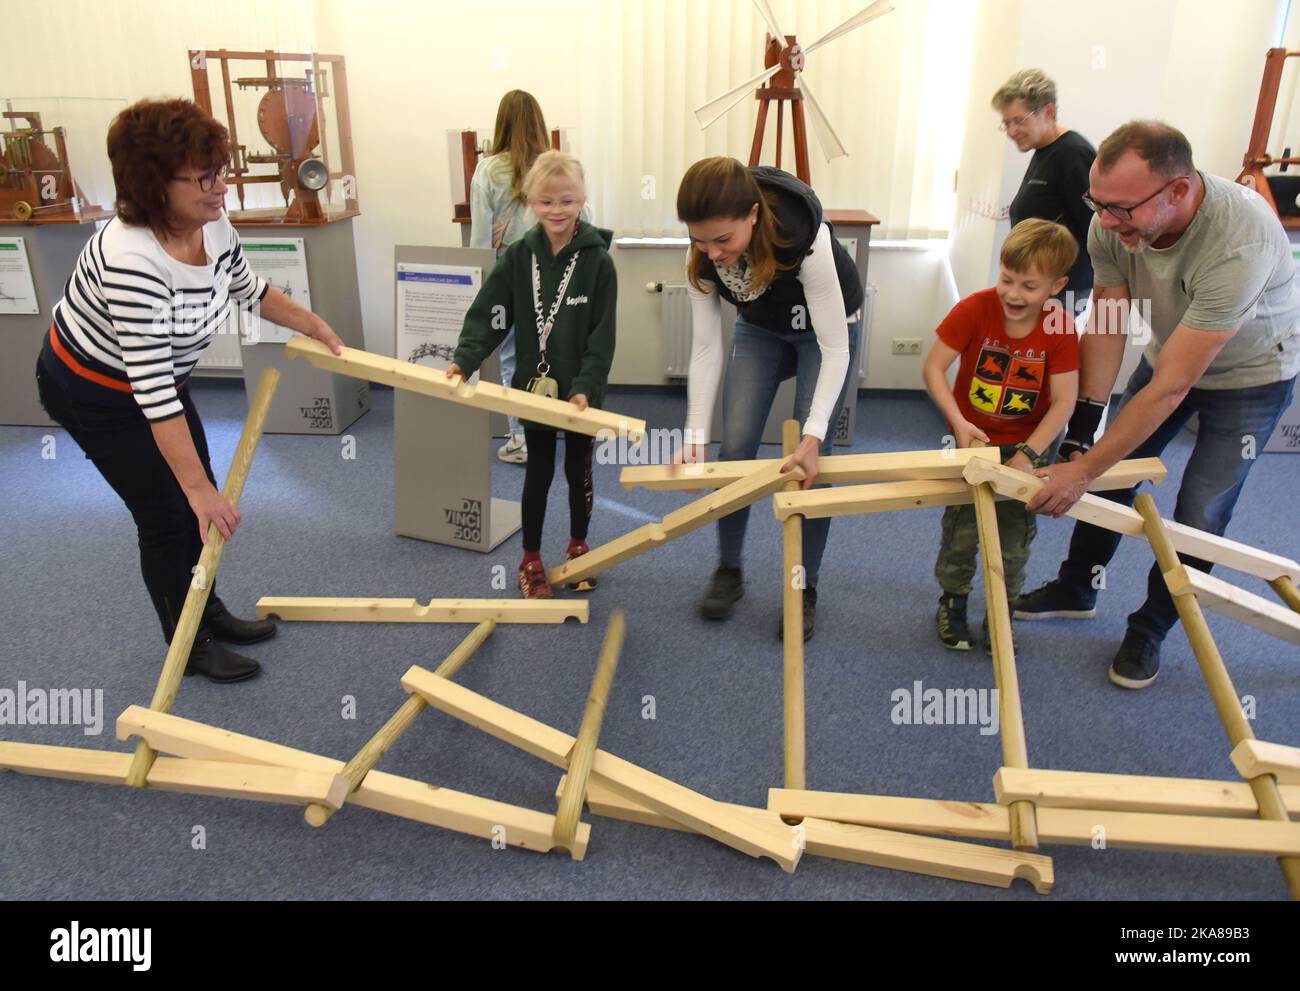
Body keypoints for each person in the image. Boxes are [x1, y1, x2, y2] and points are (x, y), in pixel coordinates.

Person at [34, 98, 344, 683]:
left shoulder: (210, 221)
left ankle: (209, 608)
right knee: (171, 514)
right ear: (154, 184)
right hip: (95, 392)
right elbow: (149, 393)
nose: (220, 188)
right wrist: (200, 493)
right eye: (204, 177)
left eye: (219, 171)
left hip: (160, 387)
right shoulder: (133, 260)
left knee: (197, 498)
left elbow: (248, 288)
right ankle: (188, 643)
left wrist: (314, 325)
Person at [1014, 121, 1300, 689]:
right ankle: (1078, 587)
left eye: (1122, 208)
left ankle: (1149, 629)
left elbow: (1172, 389)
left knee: (1199, 515)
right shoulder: (1111, 221)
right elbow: (1110, 322)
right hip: (1171, 353)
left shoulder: (1241, 238)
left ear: (1177, 190)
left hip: (1250, 378)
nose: (1108, 219)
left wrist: (1082, 470)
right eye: (1099, 203)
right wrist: (1085, 432)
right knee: (1109, 481)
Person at [674, 157, 863, 641]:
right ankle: (729, 570)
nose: (712, 252)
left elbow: (835, 347)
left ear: (753, 216)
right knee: (733, 447)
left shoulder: (805, 237)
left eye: (724, 240)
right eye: (700, 239)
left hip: (828, 334)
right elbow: (705, 346)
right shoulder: (700, 256)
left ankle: (805, 587)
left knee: (807, 465)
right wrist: (695, 434)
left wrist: (815, 432)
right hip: (762, 330)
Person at [448, 151, 616, 598]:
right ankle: (531, 558)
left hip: (581, 390)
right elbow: (490, 313)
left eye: (566, 201)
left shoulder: (599, 262)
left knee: (578, 469)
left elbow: (603, 337)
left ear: (581, 199)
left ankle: (580, 548)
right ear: (529, 202)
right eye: (545, 202)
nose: (556, 211)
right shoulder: (521, 257)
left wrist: (585, 388)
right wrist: (466, 358)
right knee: (537, 471)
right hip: (533, 387)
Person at [923, 220, 1080, 651]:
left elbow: (1065, 401)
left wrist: (1030, 453)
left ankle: (1001, 610)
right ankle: (953, 600)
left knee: (1013, 538)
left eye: (1029, 286)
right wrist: (958, 422)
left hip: (1026, 447)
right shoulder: (975, 308)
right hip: (974, 440)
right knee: (962, 530)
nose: (1013, 294)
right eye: (1007, 279)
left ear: (1056, 285)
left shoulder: (1060, 327)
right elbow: (933, 368)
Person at [469, 90, 552, 465]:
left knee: (511, 357)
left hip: (509, 274)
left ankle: (520, 439)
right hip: (552, 274)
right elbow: (585, 216)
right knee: (550, 355)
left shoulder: (487, 170)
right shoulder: (555, 167)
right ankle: (546, 430)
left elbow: (479, 240)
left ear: (501, 123)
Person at [992, 69, 1096, 315]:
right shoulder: (1043, 150)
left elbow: (1096, 230)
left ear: (1048, 113)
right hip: (1034, 288)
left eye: (1019, 121)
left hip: (1057, 291)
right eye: (1006, 124)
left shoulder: (1073, 154)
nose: (1011, 132)